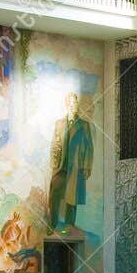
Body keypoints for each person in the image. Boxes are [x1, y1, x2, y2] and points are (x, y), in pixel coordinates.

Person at [46, 91, 95, 231]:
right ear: (67, 105)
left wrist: (86, 167)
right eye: (72, 103)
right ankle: (52, 224)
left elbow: (89, 147)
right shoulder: (59, 124)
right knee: (54, 195)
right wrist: (54, 163)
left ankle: (69, 227)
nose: (74, 106)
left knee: (71, 200)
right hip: (61, 168)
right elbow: (55, 145)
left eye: (76, 103)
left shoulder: (84, 125)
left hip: (75, 168)